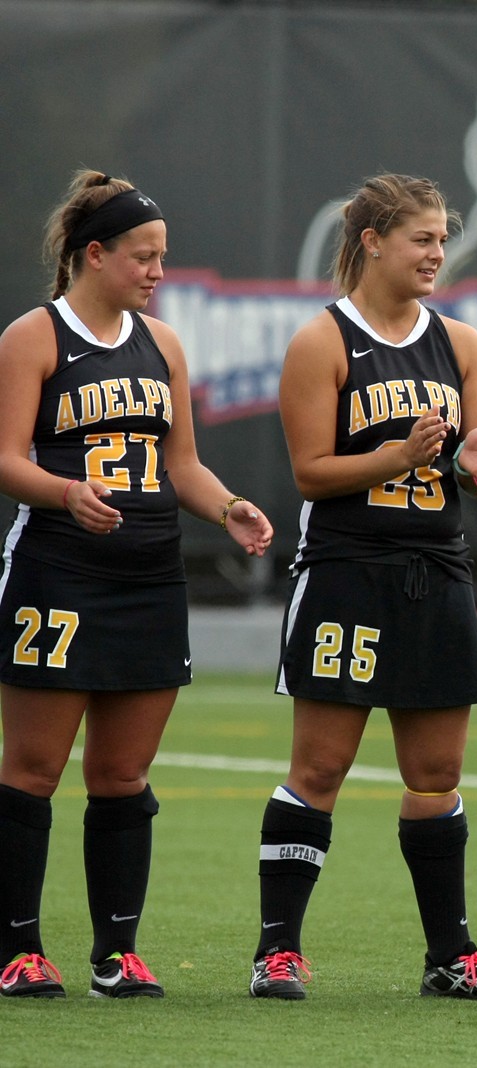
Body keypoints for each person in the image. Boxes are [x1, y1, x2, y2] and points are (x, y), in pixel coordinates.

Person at [249, 174, 477, 1002]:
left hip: (437, 570)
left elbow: (467, 458)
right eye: (422, 238)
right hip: (348, 572)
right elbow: (310, 474)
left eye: (443, 239)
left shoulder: (463, 344)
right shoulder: (323, 341)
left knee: (436, 772)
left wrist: (474, 467)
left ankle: (450, 955)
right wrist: (398, 458)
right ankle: (277, 951)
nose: (437, 254)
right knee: (321, 767)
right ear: (372, 240)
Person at [0, 170, 274, 999]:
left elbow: (180, 462)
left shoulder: (165, 343)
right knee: (33, 769)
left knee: (122, 776)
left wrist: (227, 507)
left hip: (149, 575)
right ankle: (18, 948)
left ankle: (116, 955)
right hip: (58, 569)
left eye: (163, 257)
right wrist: (64, 491)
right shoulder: (35, 336)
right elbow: (8, 458)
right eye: (143, 256)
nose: (157, 271)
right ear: (96, 253)